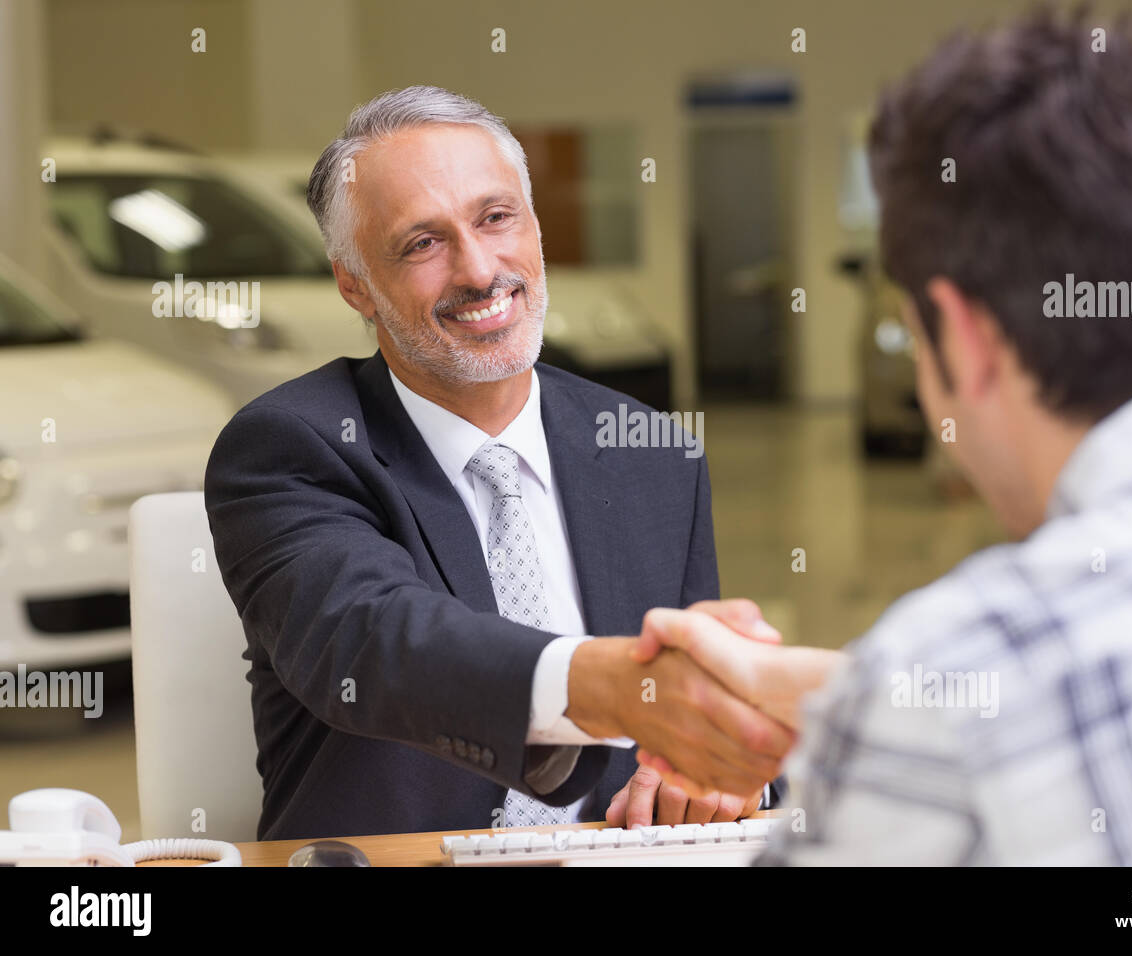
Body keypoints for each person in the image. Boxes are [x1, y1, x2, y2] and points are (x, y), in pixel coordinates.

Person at [635, 7, 1132, 865]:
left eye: (915, 333)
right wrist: (835, 695)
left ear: (965, 339)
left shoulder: (944, 679)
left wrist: (885, 704)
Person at [204, 86, 790, 840]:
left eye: (496, 217)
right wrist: (610, 687)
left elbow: (690, 733)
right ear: (356, 286)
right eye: (422, 243)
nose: (480, 271)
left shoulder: (652, 450)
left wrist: (710, 772)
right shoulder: (290, 446)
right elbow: (376, 639)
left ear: (536, 228)